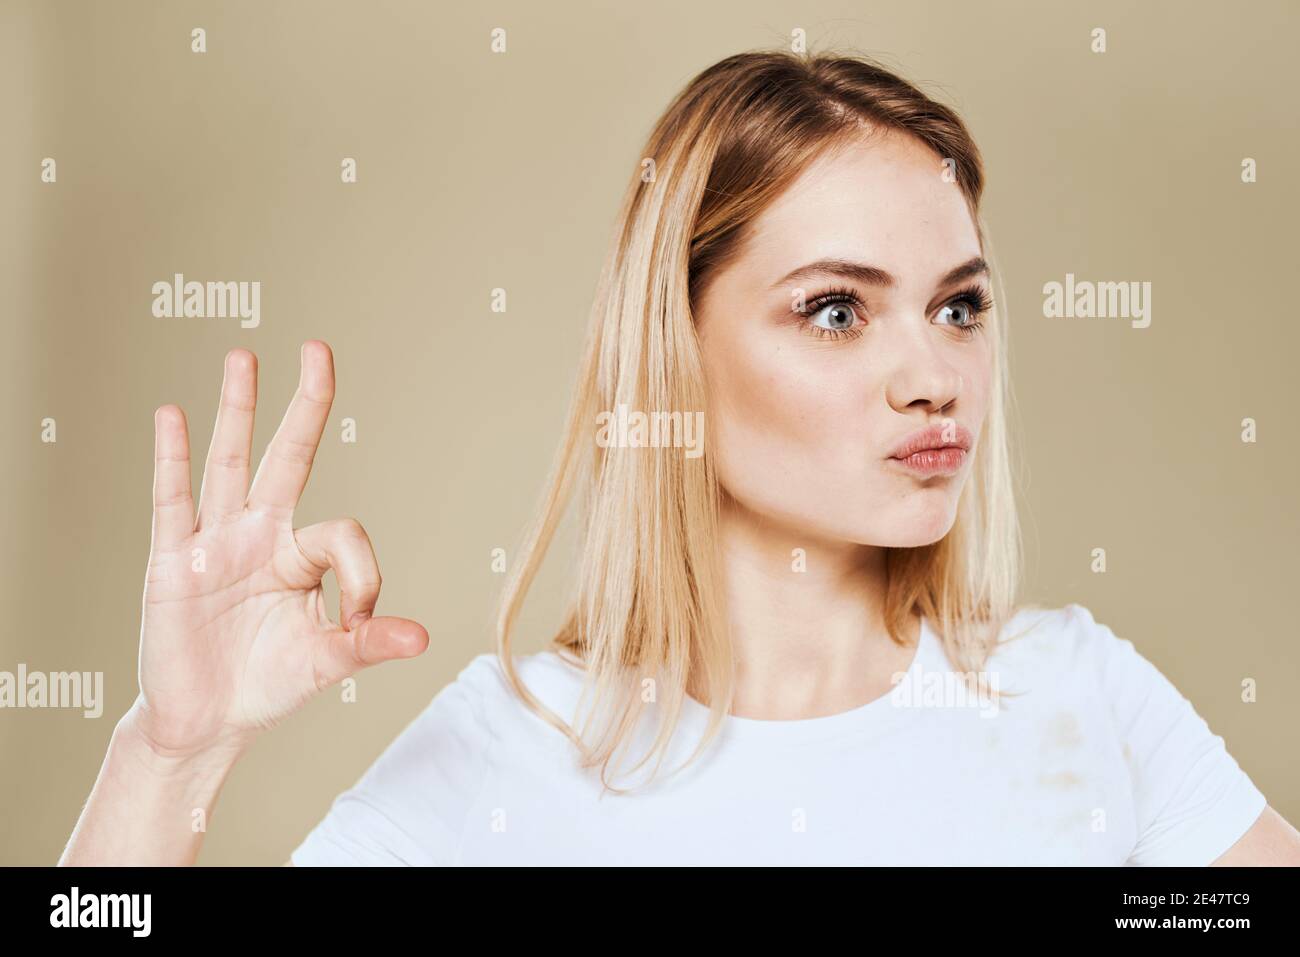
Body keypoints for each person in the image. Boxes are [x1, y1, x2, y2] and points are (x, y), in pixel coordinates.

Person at [60, 49, 1300, 866]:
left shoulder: (1081, 697)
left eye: (959, 306)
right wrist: (171, 759)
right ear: (673, 351)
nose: (934, 374)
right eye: (836, 309)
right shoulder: (514, 751)